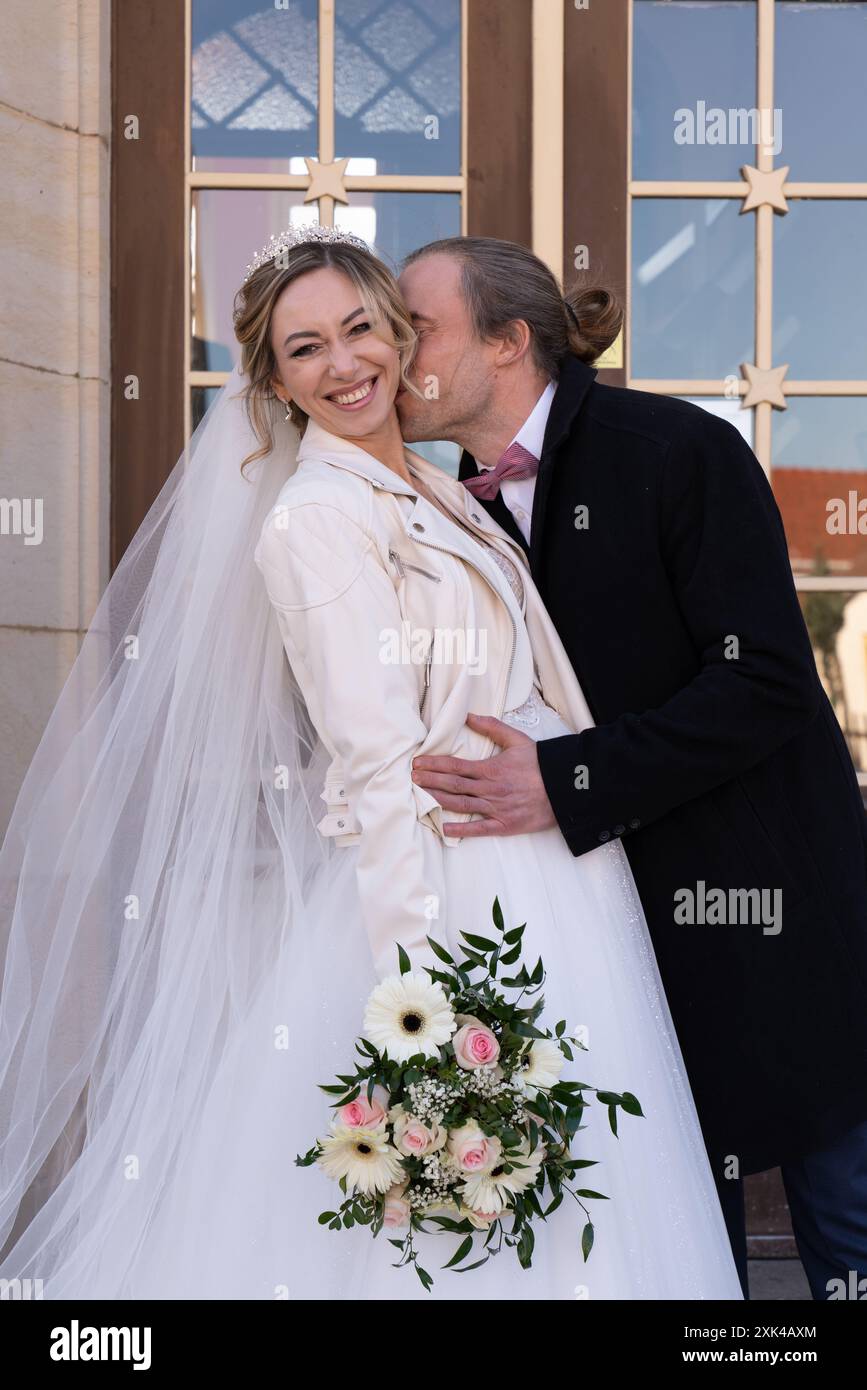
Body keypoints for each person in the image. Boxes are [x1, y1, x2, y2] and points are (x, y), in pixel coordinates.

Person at [0, 225, 742, 1300]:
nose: (343, 364)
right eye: (305, 350)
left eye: (358, 329)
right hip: (452, 898)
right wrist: (422, 1015)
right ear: (274, 379)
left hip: (553, 875)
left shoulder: (441, 490)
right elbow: (379, 765)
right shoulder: (314, 521)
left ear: (397, 337)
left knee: (591, 1207)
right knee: (460, 1234)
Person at [399, 235, 867, 1302]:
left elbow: (765, 685)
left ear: (509, 340)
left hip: (774, 925)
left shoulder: (674, 450)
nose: (391, 348)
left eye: (416, 325)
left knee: (847, 1237)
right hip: (619, 952)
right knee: (687, 1261)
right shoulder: (448, 504)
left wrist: (566, 782)